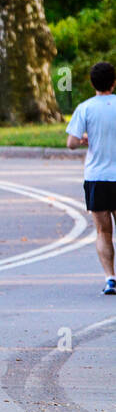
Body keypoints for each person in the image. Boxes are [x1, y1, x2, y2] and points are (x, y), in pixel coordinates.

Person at [65, 61, 116, 295]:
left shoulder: (85, 108)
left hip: (97, 177)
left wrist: (86, 138)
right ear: (114, 82)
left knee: (103, 231)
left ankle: (110, 278)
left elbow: (72, 143)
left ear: (92, 83)